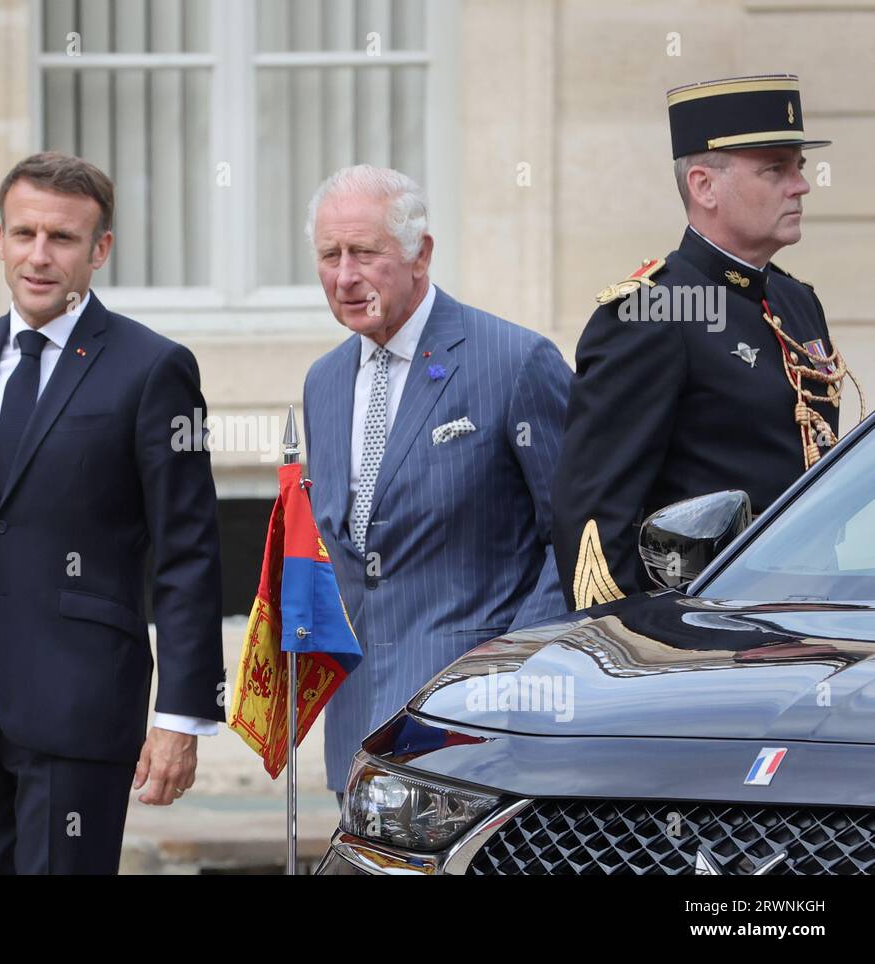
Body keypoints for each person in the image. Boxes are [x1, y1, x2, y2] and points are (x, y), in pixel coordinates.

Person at [0, 151, 226, 874]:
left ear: (99, 250)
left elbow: (188, 554)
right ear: (1, 238)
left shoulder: (152, 368)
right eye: (24, 234)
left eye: (63, 239)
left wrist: (180, 717)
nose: (38, 256)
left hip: (81, 712)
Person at [302, 165, 570, 797]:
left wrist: (506, 678)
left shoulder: (515, 361)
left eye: (365, 253)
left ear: (420, 254)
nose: (344, 276)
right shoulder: (325, 381)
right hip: (358, 736)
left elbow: (576, 542)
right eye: (329, 256)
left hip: (474, 731)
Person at [552, 74, 862, 611]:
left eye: (799, 167)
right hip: (708, 635)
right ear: (703, 186)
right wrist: (634, 642)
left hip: (805, 615)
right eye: (775, 169)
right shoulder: (651, 309)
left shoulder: (794, 301)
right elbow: (593, 514)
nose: (801, 185)